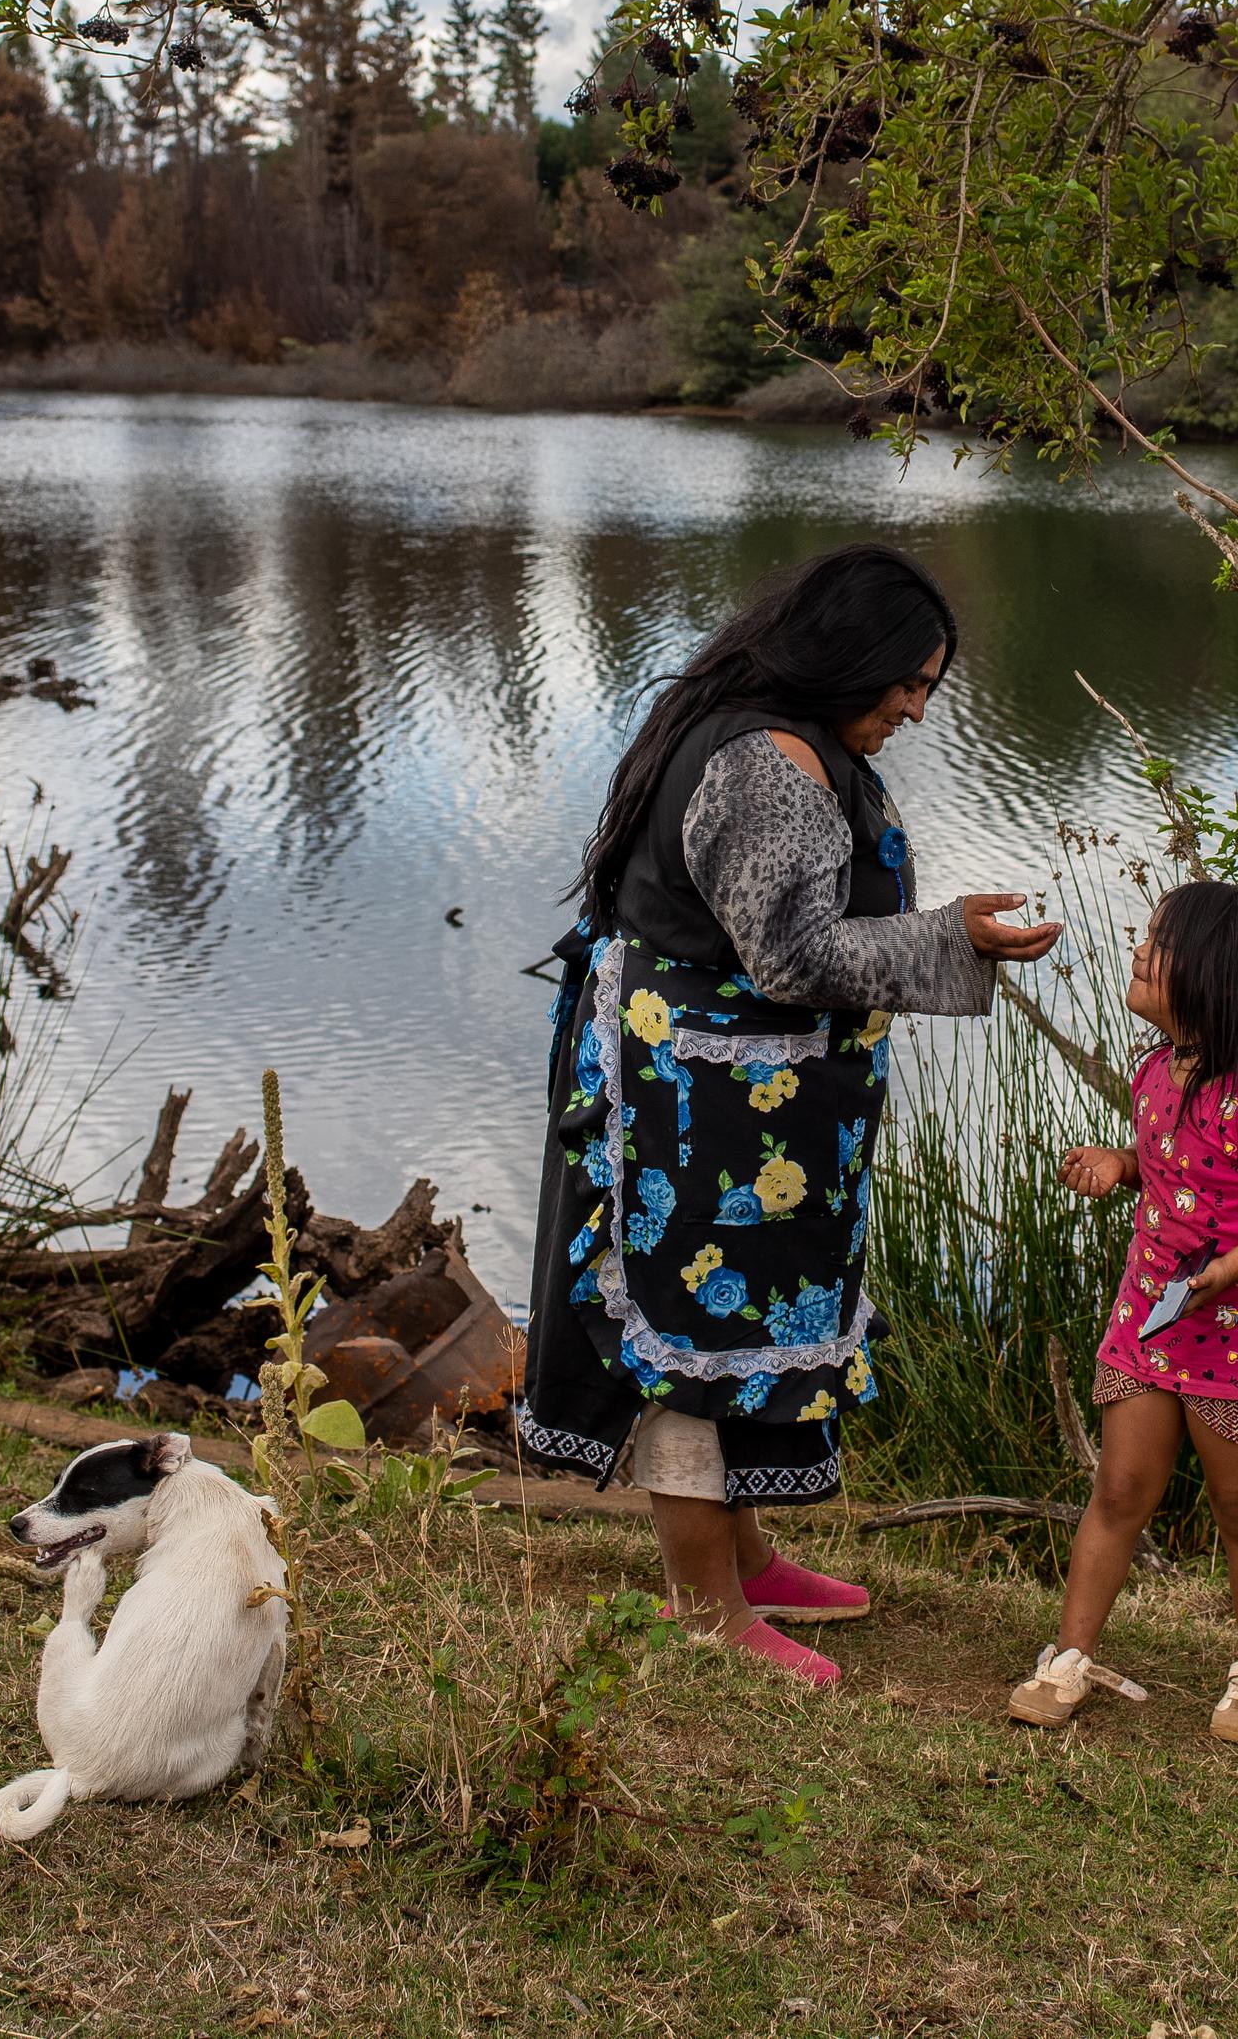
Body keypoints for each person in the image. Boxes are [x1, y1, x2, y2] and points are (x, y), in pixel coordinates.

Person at [518, 545, 1059, 1686]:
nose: (914, 708)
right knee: (692, 1332)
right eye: (906, 683)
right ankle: (706, 1604)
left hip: (734, 1095)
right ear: (846, 656)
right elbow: (792, 952)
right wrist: (953, 934)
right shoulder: (768, 762)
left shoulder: (782, 732)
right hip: (690, 1104)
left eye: (929, 688)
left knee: (744, 1324)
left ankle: (747, 1559)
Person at [1008, 880, 1238, 1744]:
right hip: (1149, 1325)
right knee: (1117, 1490)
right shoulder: (1157, 1070)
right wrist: (1121, 1165)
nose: (1141, 951)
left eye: (1162, 942)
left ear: (1216, 975)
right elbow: (1176, 1168)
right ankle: (1070, 1656)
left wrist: (1226, 1270)